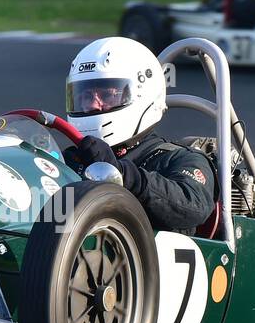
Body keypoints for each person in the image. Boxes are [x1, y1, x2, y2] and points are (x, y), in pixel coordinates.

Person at [63, 37, 216, 234]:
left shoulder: (180, 159)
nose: (92, 105)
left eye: (107, 95)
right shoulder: (71, 160)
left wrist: (121, 175)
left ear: (143, 95)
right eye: (85, 96)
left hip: (149, 261)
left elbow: (193, 207)